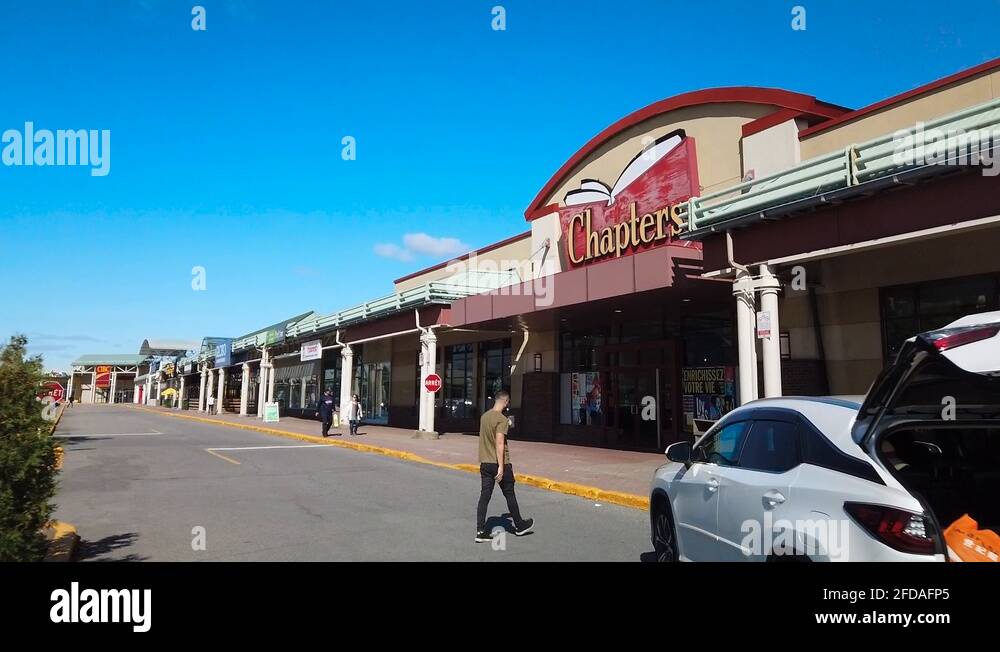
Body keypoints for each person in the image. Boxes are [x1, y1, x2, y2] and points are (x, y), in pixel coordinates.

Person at [475, 390, 533, 543]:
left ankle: (480, 531)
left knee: (484, 496)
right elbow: (499, 443)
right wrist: (501, 467)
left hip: (485, 463)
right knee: (509, 494)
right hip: (500, 463)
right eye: (508, 403)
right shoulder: (501, 419)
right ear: (506, 402)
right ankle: (519, 525)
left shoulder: (484, 417)